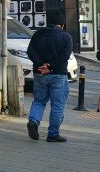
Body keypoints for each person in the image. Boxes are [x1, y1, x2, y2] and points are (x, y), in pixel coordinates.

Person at [26, 10, 74, 143]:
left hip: (39, 73)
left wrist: (41, 64)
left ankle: (34, 121)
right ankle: (53, 134)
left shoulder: (38, 34)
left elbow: (30, 51)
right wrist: (51, 66)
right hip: (58, 74)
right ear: (62, 25)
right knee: (57, 105)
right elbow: (65, 56)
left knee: (39, 101)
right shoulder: (66, 37)